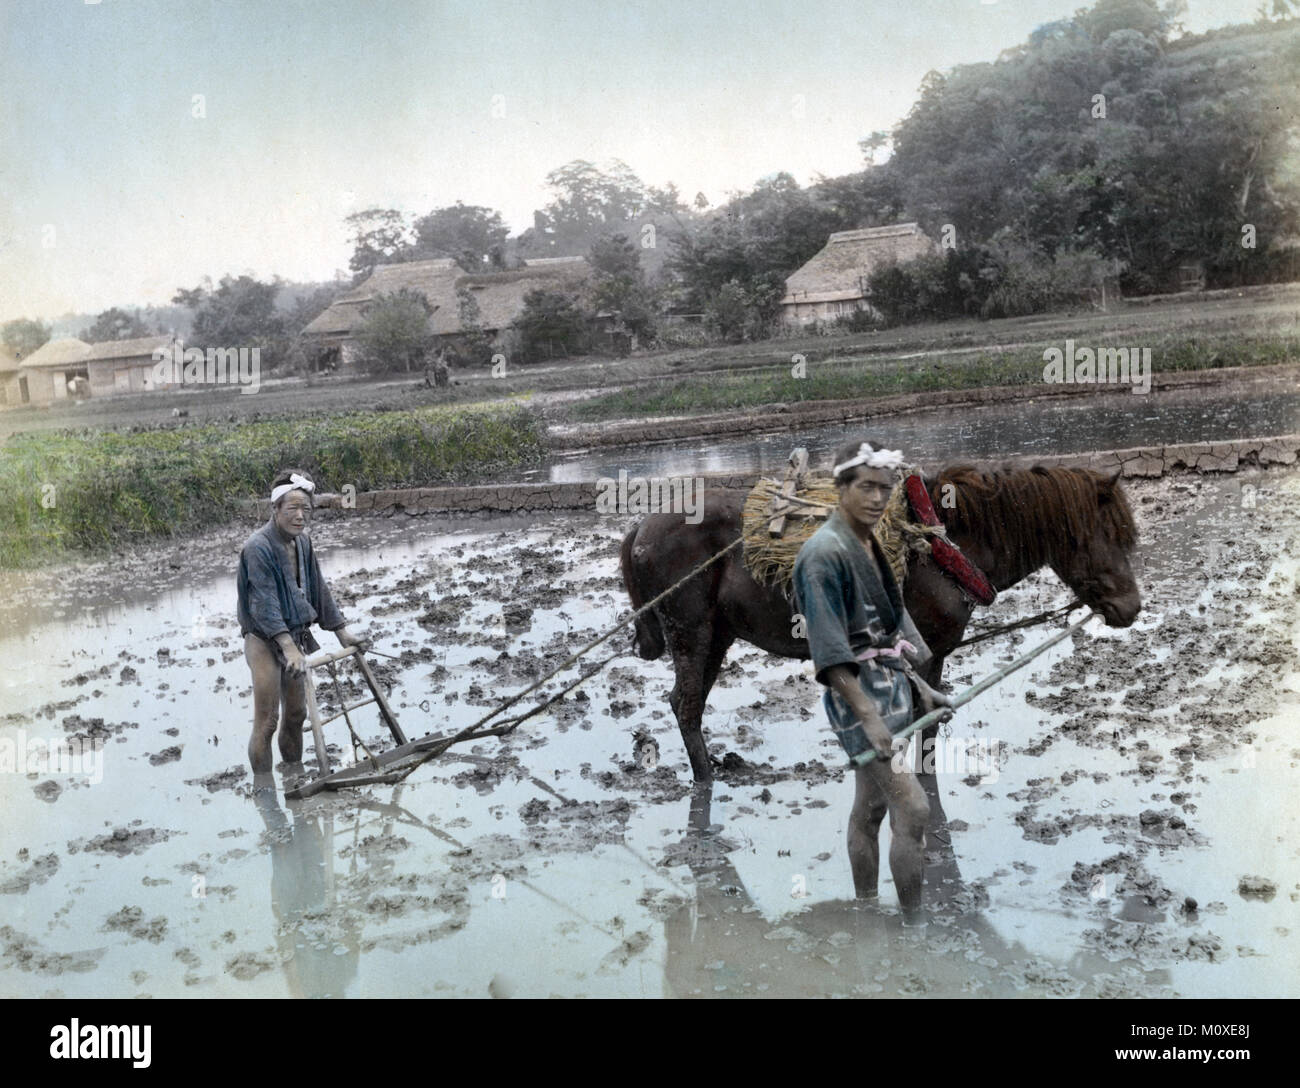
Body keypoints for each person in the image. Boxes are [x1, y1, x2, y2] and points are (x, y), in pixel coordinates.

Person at [792, 439, 953, 925]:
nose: (878, 499)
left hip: (890, 686)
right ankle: (914, 926)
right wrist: (868, 718)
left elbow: (894, 623)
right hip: (857, 698)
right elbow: (828, 650)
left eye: (885, 489)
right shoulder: (821, 556)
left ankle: (866, 909)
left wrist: (922, 687)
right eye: (865, 487)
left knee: (871, 809)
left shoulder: (869, 542)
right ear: (841, 488)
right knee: (915, 810)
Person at [237, 469, 367, 774]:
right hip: (264, 641)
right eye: (292, 508)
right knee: (267, 721)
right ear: (276, 508)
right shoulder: (258, 548)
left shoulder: (303, 543)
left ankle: (294, 776)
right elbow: (263, 602)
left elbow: (318, 589)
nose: (300, 516)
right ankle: (265, 789)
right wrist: (287, 646)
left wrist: (341, 633)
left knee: (296, 715)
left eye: (305, 509)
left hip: (294, 636)